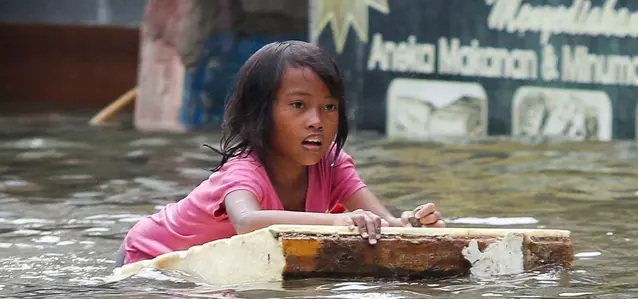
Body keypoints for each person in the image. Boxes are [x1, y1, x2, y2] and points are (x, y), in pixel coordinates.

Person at [118, 40, 446, 267]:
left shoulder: (332, 164)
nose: (316, 121)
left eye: (329, 107)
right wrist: (338, 221)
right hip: (148, 256)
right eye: (298, 105)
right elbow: (247, 222)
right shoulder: (244, 171)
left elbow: (380, 224)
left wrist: (412, 226)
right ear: (261, 113)